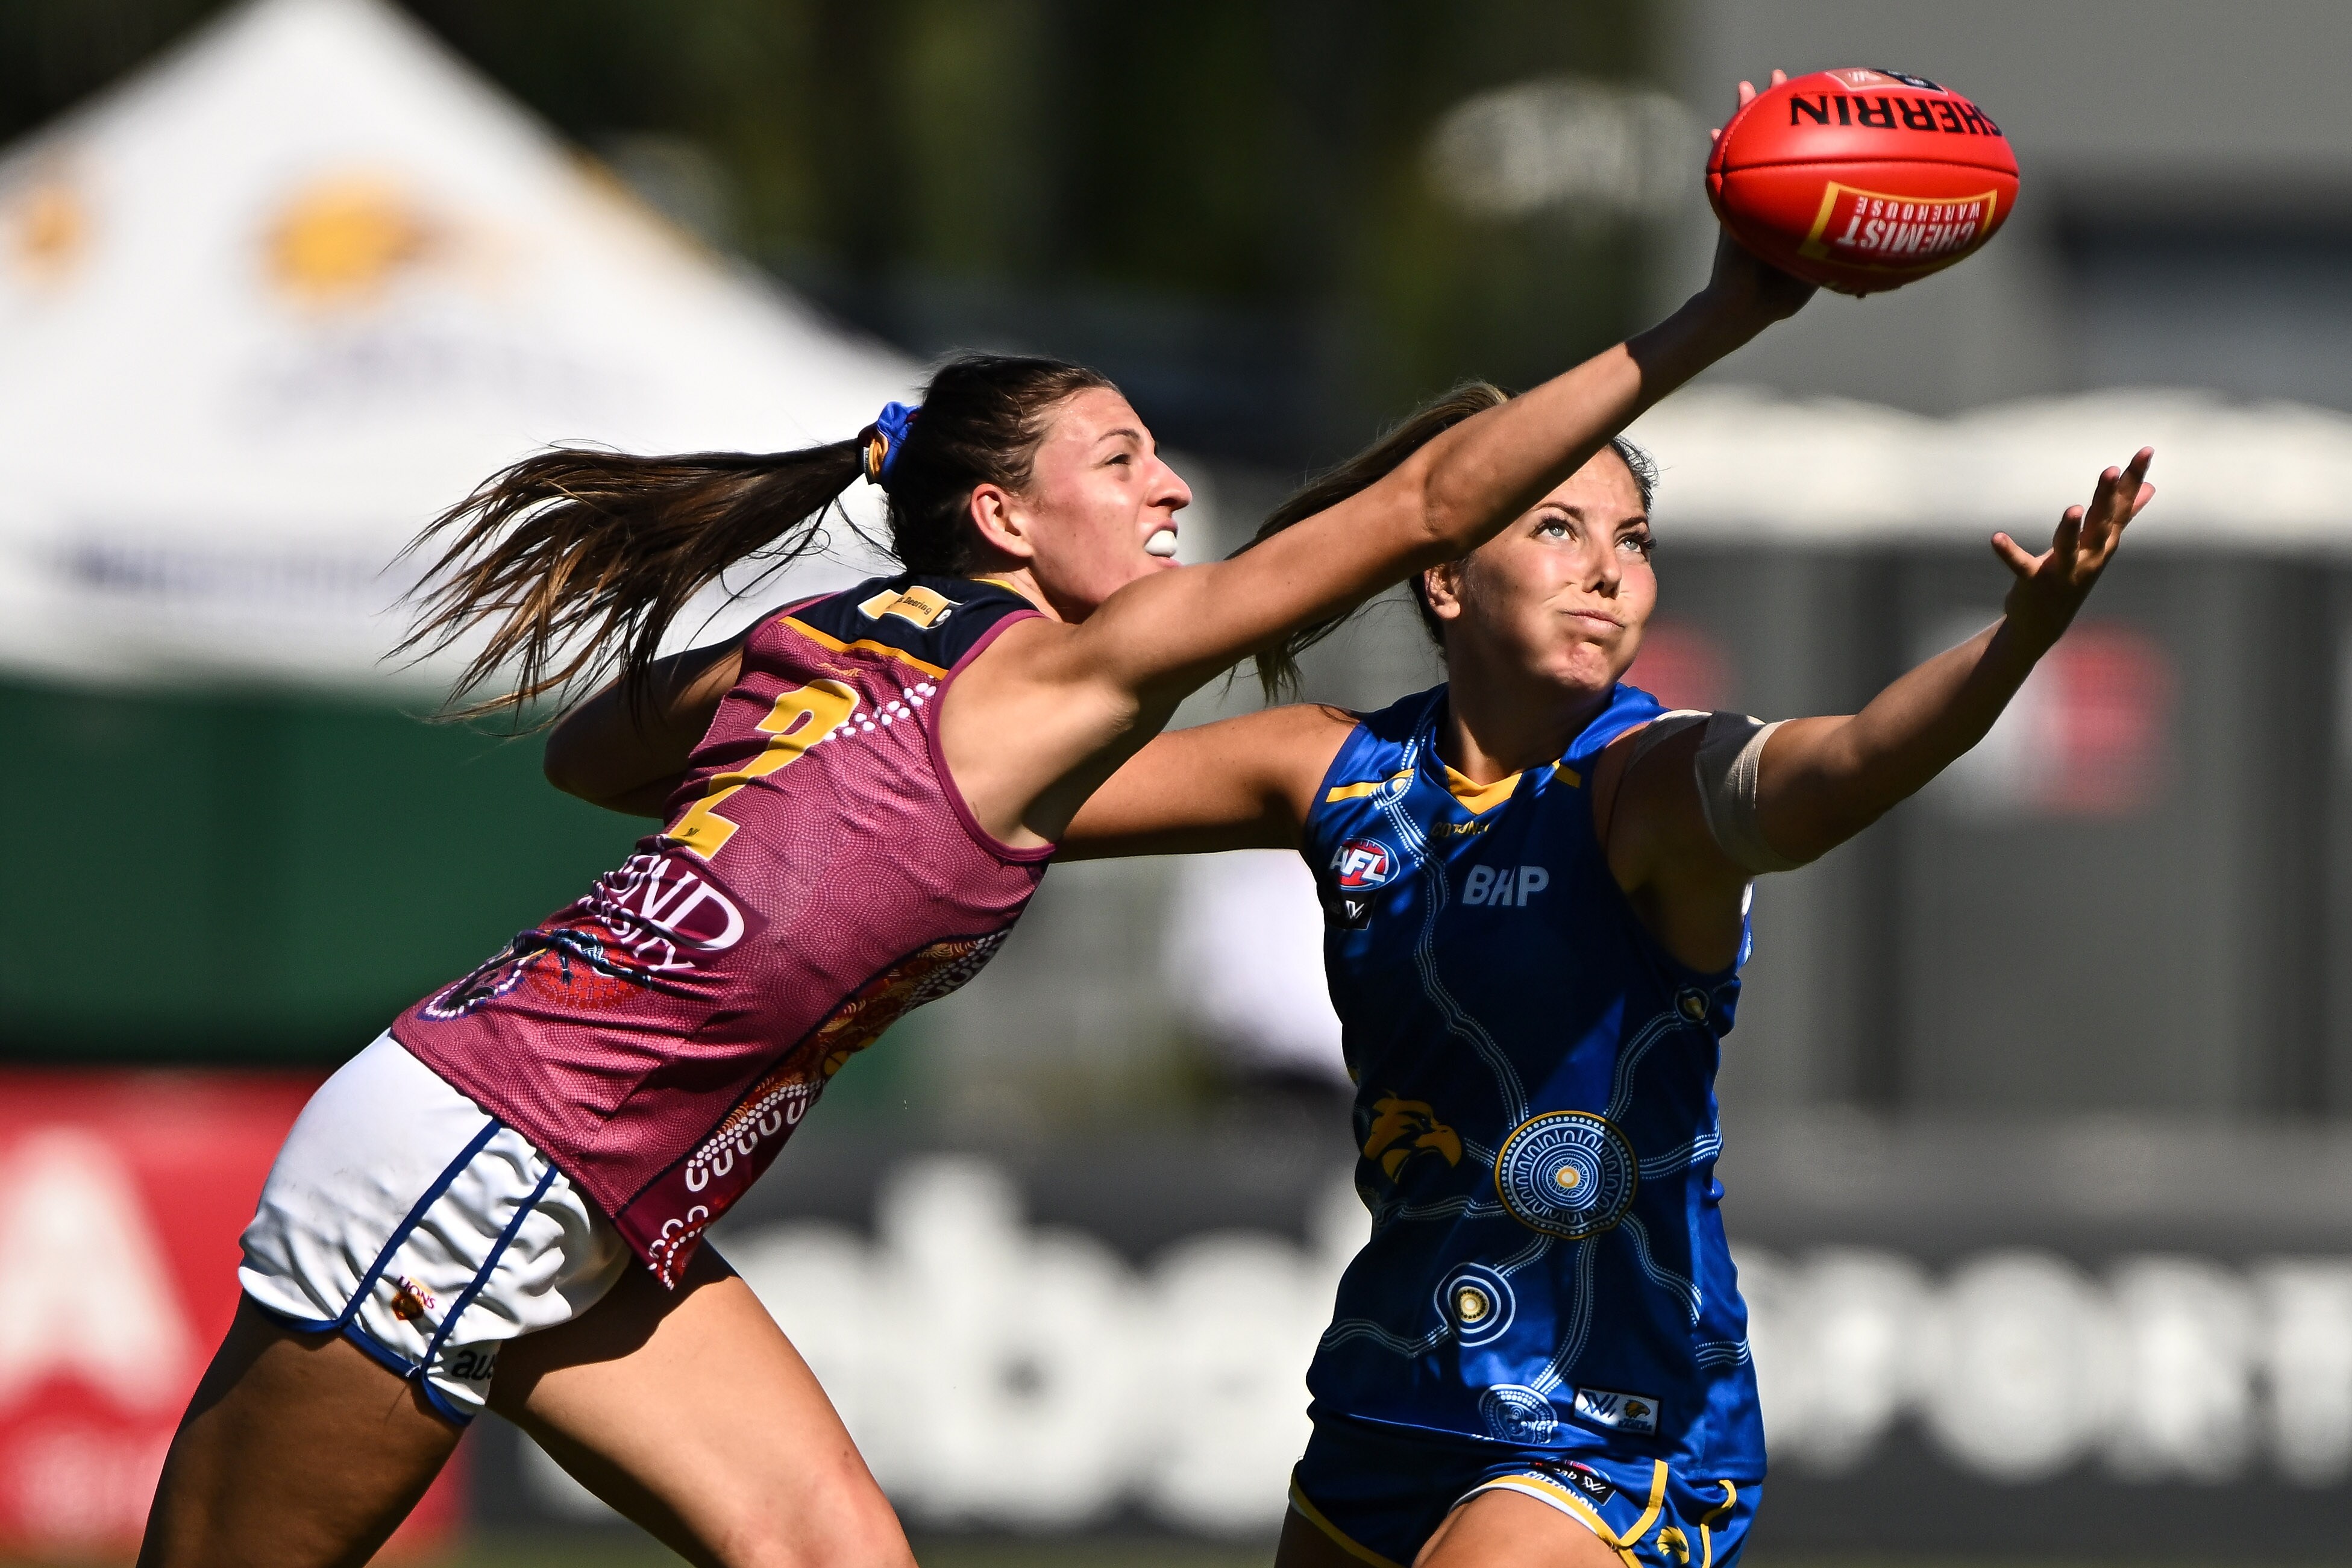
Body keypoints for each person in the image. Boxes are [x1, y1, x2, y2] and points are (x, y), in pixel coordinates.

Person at [137, 215, 1810, 1565]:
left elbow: (597, 753)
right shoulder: (1059, 674)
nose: (1169, 492)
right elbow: (1433, 501)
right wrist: (1724, 308)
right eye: (1121, 459)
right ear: (1002, 516)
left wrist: (823, 677)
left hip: (566, 1175)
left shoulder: (853, 646)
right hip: (485, 1159)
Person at [1050, 387, 2154, 1567]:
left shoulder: (1638, 781)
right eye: (1557, 528)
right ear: (1441, 577)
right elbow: (1011, 793)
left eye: (1631, 540)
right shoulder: (1334, 770)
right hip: (1392, 1389)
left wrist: (2012, 644)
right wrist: (1012, 602)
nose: (1606, 572)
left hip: (1608, 1414)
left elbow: (1843, 762)